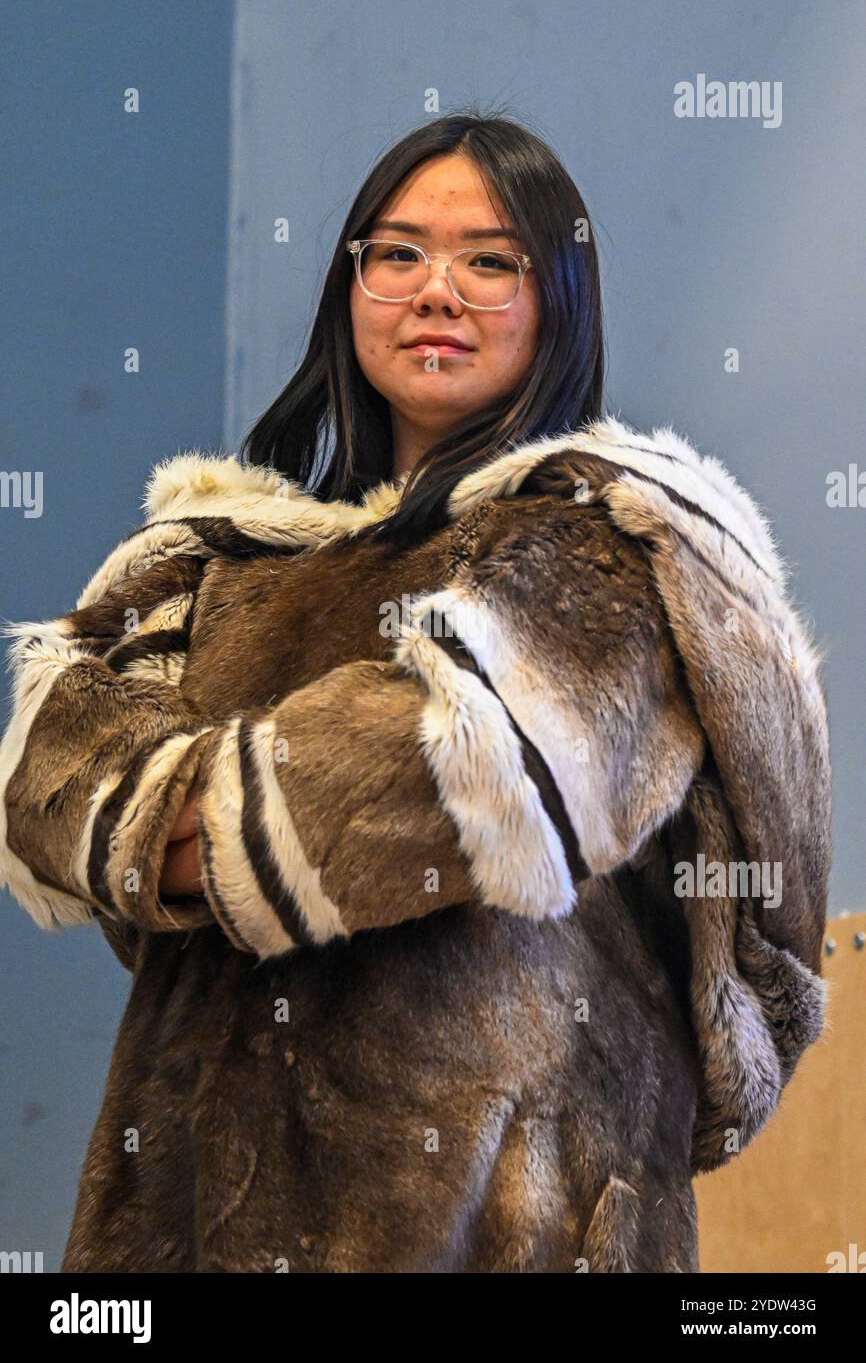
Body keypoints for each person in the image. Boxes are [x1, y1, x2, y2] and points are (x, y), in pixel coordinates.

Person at [0, 112, 830, 1273]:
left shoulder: (612, 547)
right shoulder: (207, 562)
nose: (435, 289)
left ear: (558, 302)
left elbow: (442, 781)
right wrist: (208, 823)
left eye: (490, 261)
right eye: (396, 254)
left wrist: (177, 817)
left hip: (514, 1228)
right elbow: (48, 782)